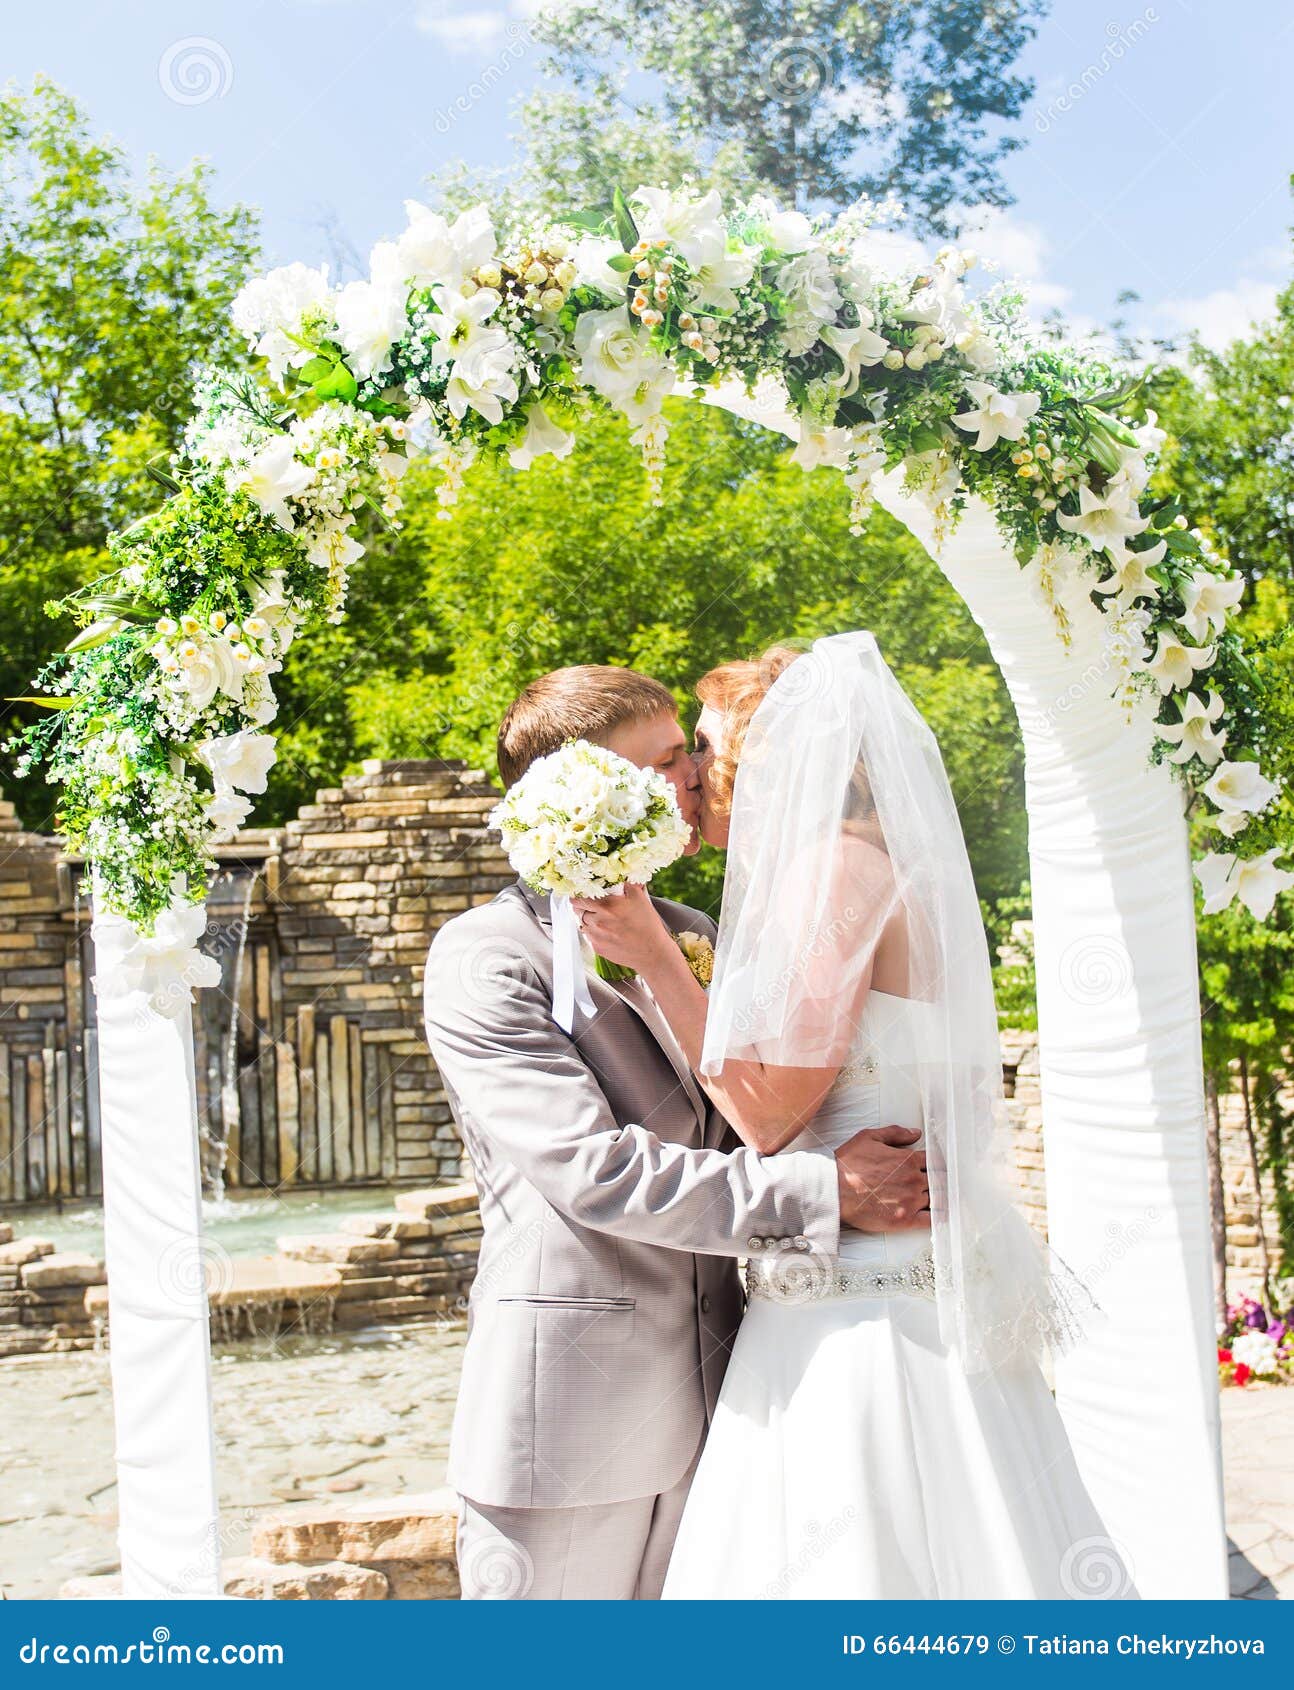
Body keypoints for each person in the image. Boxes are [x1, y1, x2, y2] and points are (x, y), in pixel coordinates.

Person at [574, 633, 1139, 1600]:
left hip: (862, 1302)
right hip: (862, 1269)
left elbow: (767, 1115)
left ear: (768, 757)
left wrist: (655, 959)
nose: (691, 776)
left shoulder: (833, 872)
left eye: (705, 747)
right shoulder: (864, 862)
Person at [422, 662, 931, 1600]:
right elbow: (595, 1171)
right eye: (663, 762)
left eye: (687, 756)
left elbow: (763, 1113)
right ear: (579, 787)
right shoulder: (486, 958)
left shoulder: (696, 929)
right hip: (570, 1423)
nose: (694, 777)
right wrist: (830, 1191)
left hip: (739, 1397)